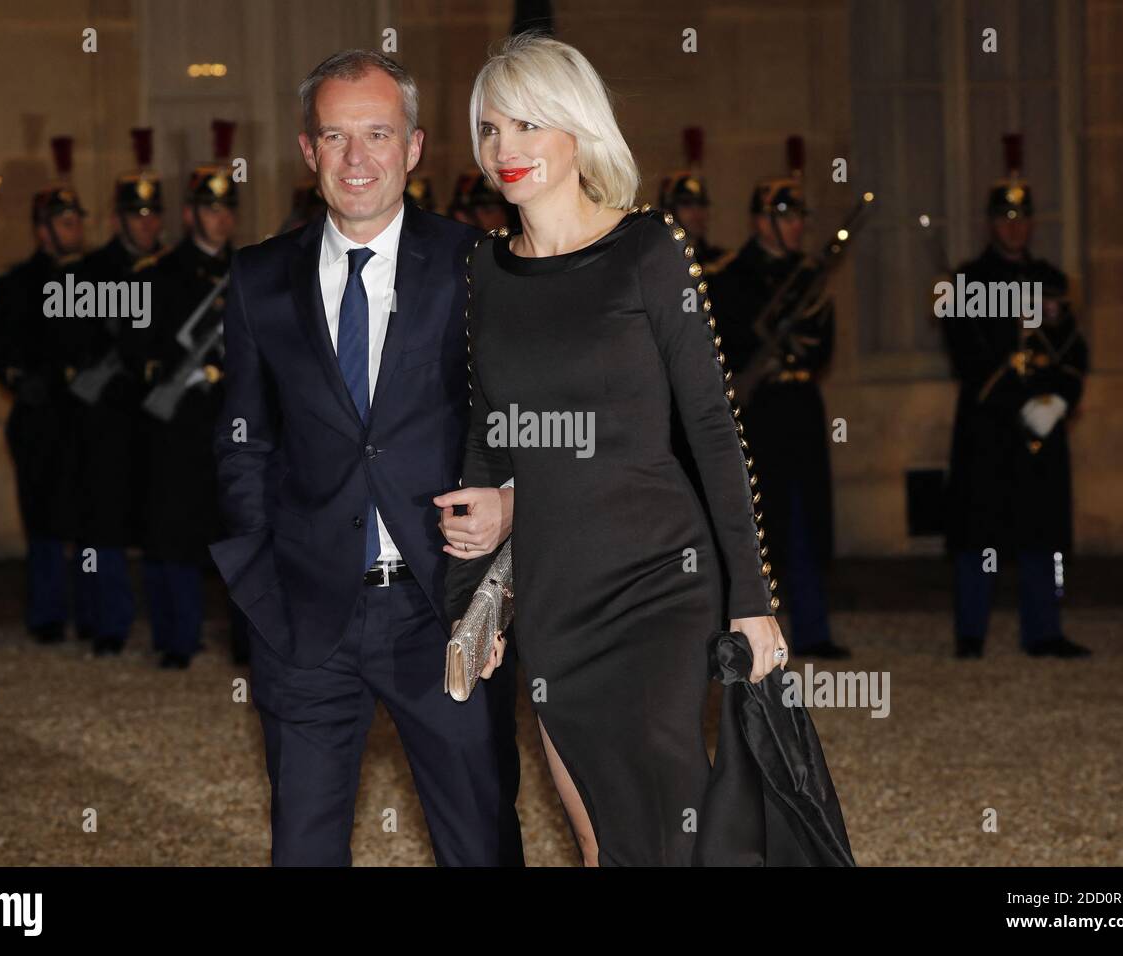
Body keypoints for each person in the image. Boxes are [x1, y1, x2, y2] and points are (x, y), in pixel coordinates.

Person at [444, 32, 796, 867]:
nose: (507, 149)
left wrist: (752, 597)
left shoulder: (649, 250)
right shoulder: (487, 272)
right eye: (491, 129)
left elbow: (714, 428)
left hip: (657, 584)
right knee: (600, 842)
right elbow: (488, 438)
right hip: (556, 595)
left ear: (578, 131)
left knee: (664, 835)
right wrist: (472, 599)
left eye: (530, 125)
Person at [210, 49, 524, 866]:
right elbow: (243, 440)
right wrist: (261, 579)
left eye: (378, 134)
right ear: (308, 150)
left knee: (479, 843)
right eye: (336, 137)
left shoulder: (476, 265)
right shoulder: (258, 279)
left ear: (414, 147)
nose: (358, 159)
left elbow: (516, 422)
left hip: (442, 609)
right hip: (304, 619)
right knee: (304, 850)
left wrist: (502, 548)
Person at [940, 134, 1090, 659]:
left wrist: (1059, 401)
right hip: (988, 427)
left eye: (1022, 217)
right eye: (1004, 217)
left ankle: (1045, 631)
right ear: (990, 222)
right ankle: (971, 634)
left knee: (1043, 532)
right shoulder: (967, 281)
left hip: (1042, 429)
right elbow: (969, 358)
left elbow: (1074, 351)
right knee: (978, 532)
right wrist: (1019, 402)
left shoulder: (1052, 281)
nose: (1014, 226)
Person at [709, 134, 846, 659]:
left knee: (807, 516)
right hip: (756, 411)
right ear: (760, 220)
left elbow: (821, 345)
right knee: (753, 520)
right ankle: (747, 628)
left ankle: (814, 628)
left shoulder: (809, 277)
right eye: (786, 217)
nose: (796, 227)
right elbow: (729, 347)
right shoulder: (729, 279)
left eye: (799, 217)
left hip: (800, 406)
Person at [129, 124, 241, 670]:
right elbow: (139, 351)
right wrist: (179, 375)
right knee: (173, 532)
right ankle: (178, 639)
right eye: (210, 208)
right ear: (192, 213)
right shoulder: (159, 275)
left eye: (227, 209)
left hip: (233, 422)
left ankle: (246, 643)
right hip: (178, 425)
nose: (221, 218)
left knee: (241, 532)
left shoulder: (249, 269)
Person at [60, 128, 165, 656]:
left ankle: (170, 627)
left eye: (153, 215)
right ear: (120, 217)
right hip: (105, 420)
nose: (146, 224)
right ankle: (107, 621)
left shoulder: (170, 268)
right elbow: (77, 349)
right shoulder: (93, 272)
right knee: (99, 526)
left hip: (155, 418)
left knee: (159, 521)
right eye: (137, 215)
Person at [0, 137, 88, 645]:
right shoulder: (15, 286)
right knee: (44, 519)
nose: (76, 230)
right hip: (40, 420)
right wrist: (22, 381)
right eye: (66, 222)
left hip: (87, 419)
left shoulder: (99, 279)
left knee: (91, 517)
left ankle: (94, 614)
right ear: (42, 229)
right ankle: (46, 614)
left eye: (77, 220)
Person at [658, 127, 728, 273]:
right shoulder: (656, 261)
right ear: (668, 210)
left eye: (702, 205)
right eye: (687, 205)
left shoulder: (721, 262)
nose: (698, 213)